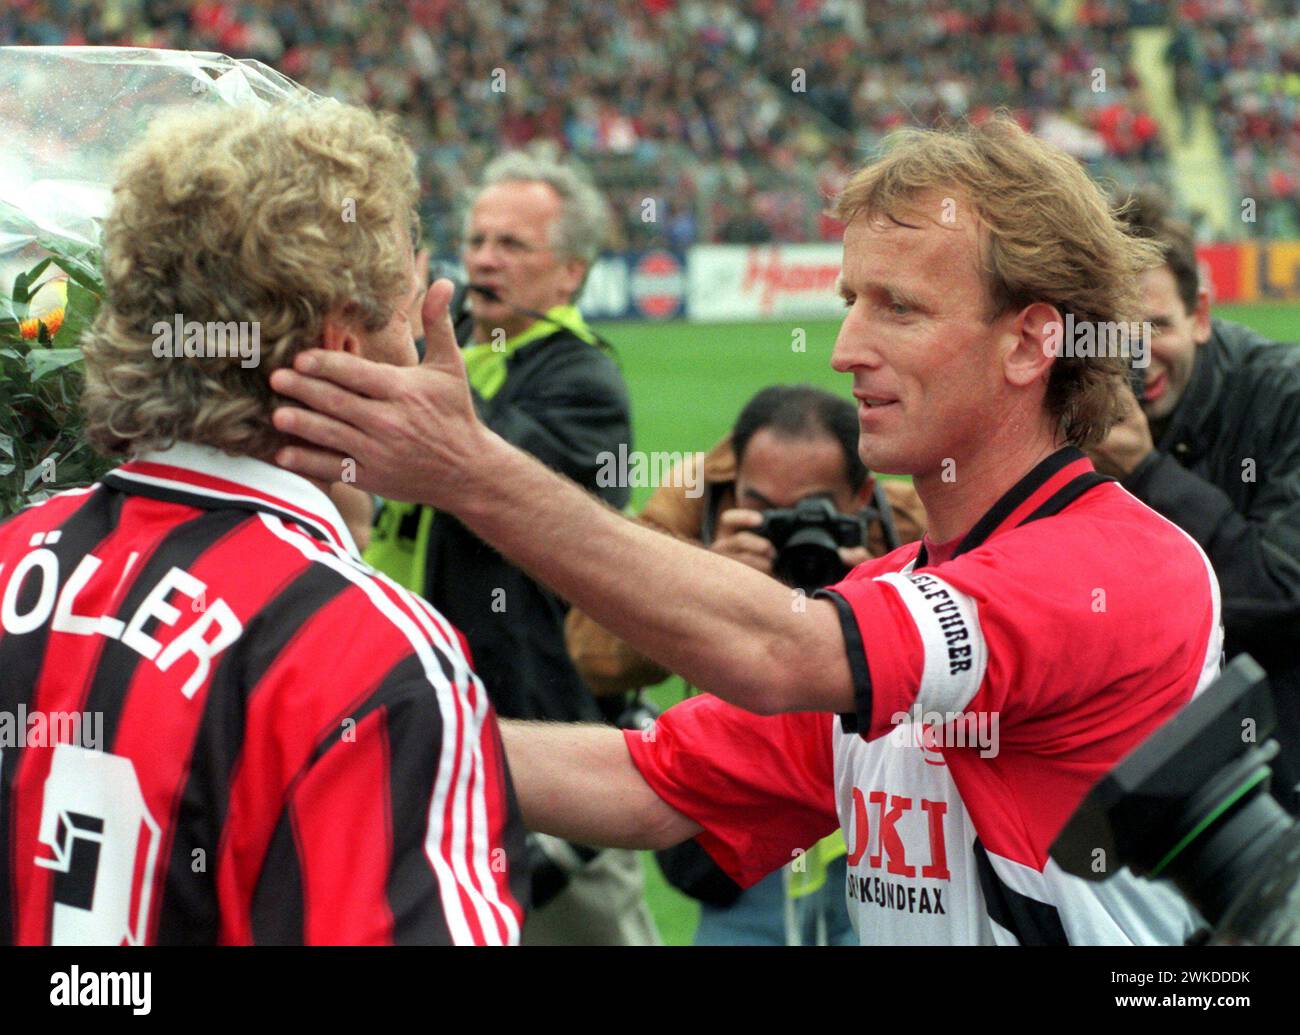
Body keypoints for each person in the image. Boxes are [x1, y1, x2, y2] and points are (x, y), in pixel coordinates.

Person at [269, 116, 1223, 944]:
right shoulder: (893, 599)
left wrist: (470, 471)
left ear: (1029, 341)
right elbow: (646, 785)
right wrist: (336, 729)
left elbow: (779, 650)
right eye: (852, 301)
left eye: (899, 307)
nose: (848, 349)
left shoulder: (1120, 568)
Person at [0, 101, 526, 945]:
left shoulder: (11, 557)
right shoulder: (367, 652)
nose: (426, 334)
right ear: (342, 348)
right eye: (404, 302)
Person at [363, 152, 654, 945]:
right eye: (478, 239)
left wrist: (417, 354)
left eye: (512, 245)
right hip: (419, 696)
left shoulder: (583, 376)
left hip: (539, 726)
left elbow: (492, 476)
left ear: (571, 273)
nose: (486, 257)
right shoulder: (448, 339)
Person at [565, 383, 926, 945]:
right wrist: (706, 584)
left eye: (811, 510)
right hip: (744, 827)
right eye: (760, 508)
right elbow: (589, 652)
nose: (785, 530)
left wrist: (879, 596)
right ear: (731, 490)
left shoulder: (905, 521)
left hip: (880, 826)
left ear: (862, 496)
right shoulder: (694, 506)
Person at [1090, 188, 1300, 813]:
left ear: (1201, 314)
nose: (1134, 357)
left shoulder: (1282, 397)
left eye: (1154, 326)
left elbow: (1281, 589)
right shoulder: (1067, 399)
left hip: (1276, 755)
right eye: (1110, 333)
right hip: (1128, 758)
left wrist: (1143, 470)